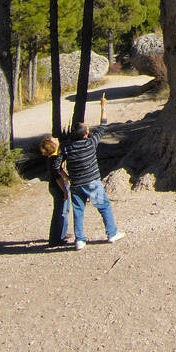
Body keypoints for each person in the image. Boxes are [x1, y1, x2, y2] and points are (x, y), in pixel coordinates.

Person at [59, 93, 124, 250]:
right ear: (86, 133)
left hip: (76, 184)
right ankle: (112, 233)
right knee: (104, 207)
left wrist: (66, 177)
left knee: (78, 211)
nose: (88, 128)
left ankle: (80, 240)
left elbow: (57, 166)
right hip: (92, 181)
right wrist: (103, 106)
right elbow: (103, 125)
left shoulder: (66, 148)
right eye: (87, 127)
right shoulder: (90, 144)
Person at [38, 135, 73, 247]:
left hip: (59, 186)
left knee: (64, 211)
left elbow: (60, 170)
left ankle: (62, 234)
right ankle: (55, 239)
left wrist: (67, 178)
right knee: (59, 212)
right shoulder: (54, 159)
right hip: (58, 187)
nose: (57, 138)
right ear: (53, 146)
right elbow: (57, 177)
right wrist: (64, 191)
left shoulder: (55, 157)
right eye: (54, 139)